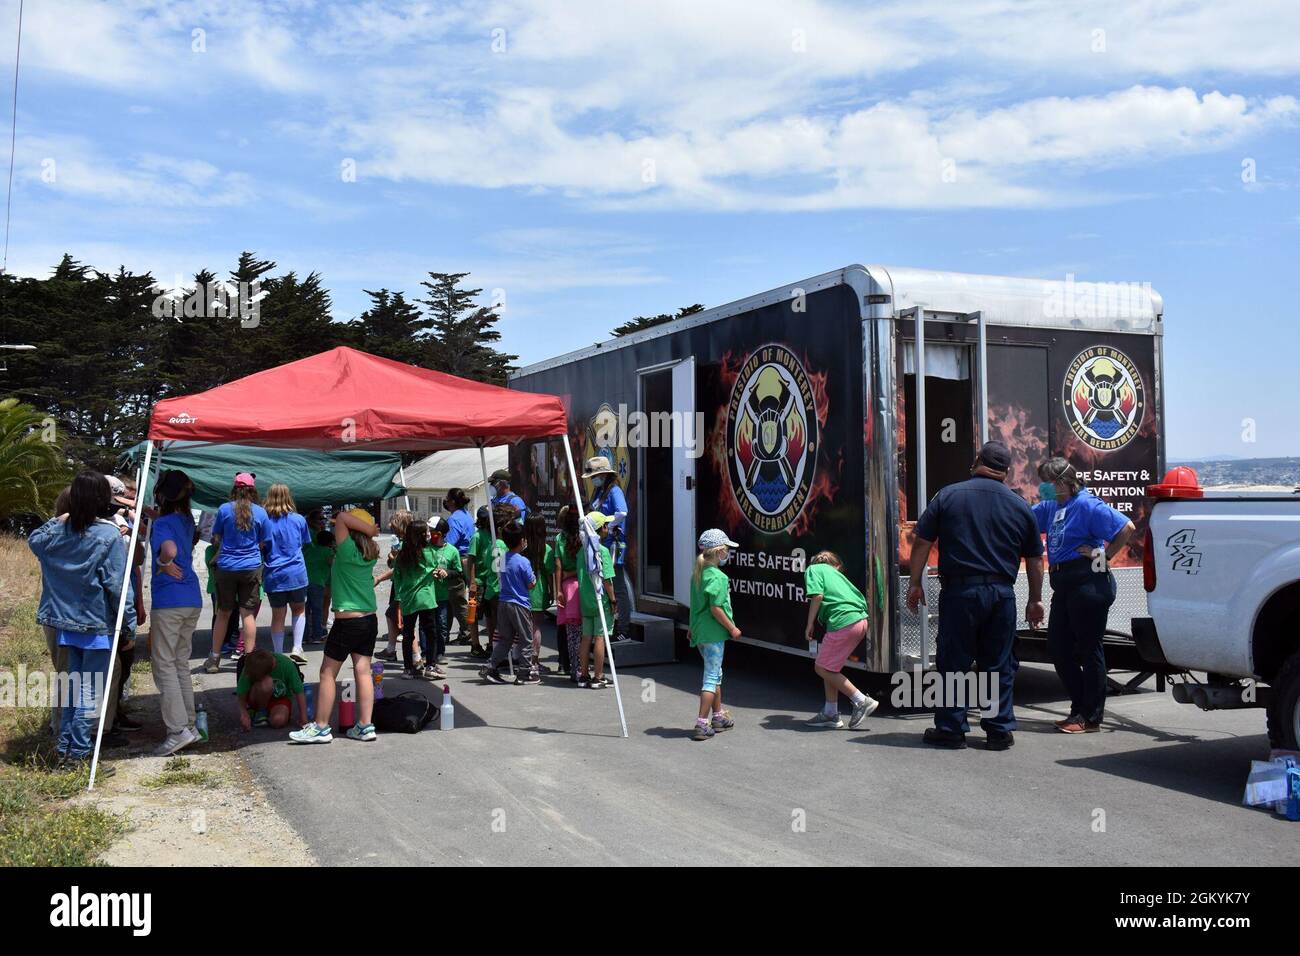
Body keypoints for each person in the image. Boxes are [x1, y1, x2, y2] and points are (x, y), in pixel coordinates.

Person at [907, 440, 1046, 751]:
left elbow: (921, 542)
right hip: (1001, 594)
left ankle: (951, 728)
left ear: (976, 461)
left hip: (961, 592)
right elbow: (1035, 560)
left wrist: (915, 581)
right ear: (1006, 471)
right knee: (999, 662)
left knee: (953, 661)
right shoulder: (1020, 505)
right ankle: (998, 730)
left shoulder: (949, 495)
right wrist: (1035, 599)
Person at [28, 470, 127, 774]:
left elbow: (34, 540)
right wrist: (129, 625)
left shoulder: (60, 532)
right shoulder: (108, 535)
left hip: (67, 625)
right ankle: (80, 756)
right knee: (90, 692)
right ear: (101, 500)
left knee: (74, 688)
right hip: (97, 625)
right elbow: (116, 586)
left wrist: (60, 518)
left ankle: (65, 750)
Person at [1033, 457, 1136, 734]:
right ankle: (1078, 708)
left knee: (1089, 650)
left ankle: (1090, 717)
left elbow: (1126, 528)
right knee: (1058, 647)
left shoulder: (1088, 505)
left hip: (1088, 582)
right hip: (1063, 583)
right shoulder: (1053, 506)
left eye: (1047, 482)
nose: (1042, 487)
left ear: (1063, 482)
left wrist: (1103, 555)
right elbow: (1023, 518)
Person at [290, 508, 382, 744]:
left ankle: (321, 726)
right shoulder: (370, 551)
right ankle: (365, 725)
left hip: (347, 621)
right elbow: (345, 521)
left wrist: (368, 529)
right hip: (369, 619)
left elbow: (340, 517)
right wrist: (370, 531)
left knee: (327, 672)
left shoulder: (346, 547)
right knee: (363, 671)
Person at [149, 469, 206, 757]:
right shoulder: (184, 520)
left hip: (169, 599)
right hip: (191, 598)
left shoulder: (163, 525)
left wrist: (162, 561)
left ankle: (177, 730)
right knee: (180, 662)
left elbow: (168, 549)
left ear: (161, 495)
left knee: (164, 664)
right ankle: (190, 724)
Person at [802, 551, 879, 730]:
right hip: (859, 620)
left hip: (842, 622)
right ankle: (830, 713)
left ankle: (861, 701)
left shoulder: (813, 569)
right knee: (830, 667)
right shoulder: (837, 575)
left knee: (821, 667)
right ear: (836, 565)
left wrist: (809, 623)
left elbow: (817, 596)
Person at [205, 473, 269, 673]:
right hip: (251, 567)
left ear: (234, 489)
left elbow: (217, 536)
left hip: (227, 566)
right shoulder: (260, 512)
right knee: (247, 615)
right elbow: (265, 541)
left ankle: (214, 659)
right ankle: (249, 663)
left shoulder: (224, 509)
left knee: (223, 613)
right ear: (253, 490)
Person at [689, 528, 740, 741]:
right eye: (727, 549)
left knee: (715, 673)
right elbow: (715, 608)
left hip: (701, 632)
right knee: (711, 678)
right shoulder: (719, 577)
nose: (728, 552)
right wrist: (732, 628)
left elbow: (695, 606)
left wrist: (691, 628)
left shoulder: (698, 574)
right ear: (719, 552)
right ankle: (702, 723)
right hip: (713, 634)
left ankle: (718, 716)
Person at [480, 522, 539, 685]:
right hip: (520, 604)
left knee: (506, 639)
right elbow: (531, 583)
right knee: (526, 639)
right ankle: (525, 672)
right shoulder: (523, 561)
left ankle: (491, 665)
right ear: (522, 541)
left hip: (504, 602)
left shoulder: (502, 559)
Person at [262, 483, 313, 664]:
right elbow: (305, 542)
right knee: (299, 610)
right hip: (296, 572)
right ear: (288, 497)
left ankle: (277, 653)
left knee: (278, 615)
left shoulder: (264, 521)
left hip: (273, 573)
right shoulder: (299, 520)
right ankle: (297, 647)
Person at [583, 456, 632, 641]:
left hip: (613, 544)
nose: (593, 479)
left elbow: (622, 512)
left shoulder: (614, 491)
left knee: (617, 586)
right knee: (605, 585)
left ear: (603, 474)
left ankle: (624, 629)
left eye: (595, 475)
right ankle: (610, 626)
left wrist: (608, 526)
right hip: (600, 544)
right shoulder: (599, 491)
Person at [392, 518, 440, 680]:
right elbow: (435, 566)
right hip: (426, 598)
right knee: (430, 632)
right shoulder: (429, 552)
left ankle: (407, 668)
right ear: (421, 535)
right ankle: (431, 666)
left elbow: (396, 576)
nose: (428, 534)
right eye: (426, 531)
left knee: (408, 634)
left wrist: (398, 598)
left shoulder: (402, 555)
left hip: (408, 599)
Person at [576, 511, 618, 689]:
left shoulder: (581, 551)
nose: (608, 529)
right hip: (600, 600)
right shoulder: (602, 551)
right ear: (600, 530)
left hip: (585, 600)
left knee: (586, 637)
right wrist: (613, 601)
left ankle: (583, 674)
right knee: (600, 637)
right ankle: (599, 676)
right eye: (605, 526)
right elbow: (607, 580)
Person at [466, 505, 510, 659]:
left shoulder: (494, 535)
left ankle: (492, 643)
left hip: (491, 580)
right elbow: (470, 560)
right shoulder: (477, 537)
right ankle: (475, 644)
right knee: (474, 613)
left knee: (491, 616)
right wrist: (471, 581)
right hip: (478, 580)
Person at [376, 509, 413, 662]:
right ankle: (391, 649)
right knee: (393, 616)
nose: (391, 526)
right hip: (397, 585)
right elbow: (392, 564)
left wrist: (379, 578)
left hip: (403, 588)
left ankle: (415, 657)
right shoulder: (399, 542)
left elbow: (398, 568)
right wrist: (392, 558)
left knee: (402, 621)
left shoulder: (407, 544)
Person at [238, 649, 307, 731]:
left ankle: (266, 716)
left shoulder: (286, 664)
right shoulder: (251, 665)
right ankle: (260, 712)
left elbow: (299, 691)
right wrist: (244, 713)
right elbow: (241, 692)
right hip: (257, 696)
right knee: (267, 683)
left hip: (279, 700)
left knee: (279, 720)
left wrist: (303, 718)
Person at [426, 516, 461, 674]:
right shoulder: (425, 548)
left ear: (439, 534)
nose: (429, 534)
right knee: (426, 626)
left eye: (432, 531)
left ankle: (440, 652)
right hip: (427, 596)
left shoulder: (452, 551)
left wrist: (447, 573)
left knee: (441, 626)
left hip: (442, 596)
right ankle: (427, 652)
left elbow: (458, 572)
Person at [441, 489, 475, 645]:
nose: (445, 502)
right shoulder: (466, 515)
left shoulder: (454, 519)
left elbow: (450, 543)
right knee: (450, 598)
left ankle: (467, 630)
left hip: (458, 559)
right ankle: (445, 632)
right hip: (467, 559)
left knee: (456, 597)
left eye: (447, 499)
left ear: (452, 502)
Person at [553, 506, 582, 677]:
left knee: (564, 628)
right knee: (581, 630)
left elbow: (558, 566)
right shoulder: (584, 537)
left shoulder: (559, 538)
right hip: (582, 585)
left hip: (565, 587)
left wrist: (558, 590)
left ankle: (564, 663)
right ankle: (579, 665)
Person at [524, 513, 551, 678]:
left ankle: (526, 660)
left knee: (525, 628)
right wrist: (553, 591)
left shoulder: (523, 549)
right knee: (536, 627)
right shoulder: (546, 549)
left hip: (523, 592)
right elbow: (549, 574)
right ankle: (534, 661)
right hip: (539, 592)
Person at [302, 518, 334, 645]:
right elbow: (333, 564)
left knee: (304, 610)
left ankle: (304, 636)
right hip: (318, 584)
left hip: (304, 582)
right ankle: (316, 635)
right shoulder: (328, 552)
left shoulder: (310, 549)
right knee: (317, 610)